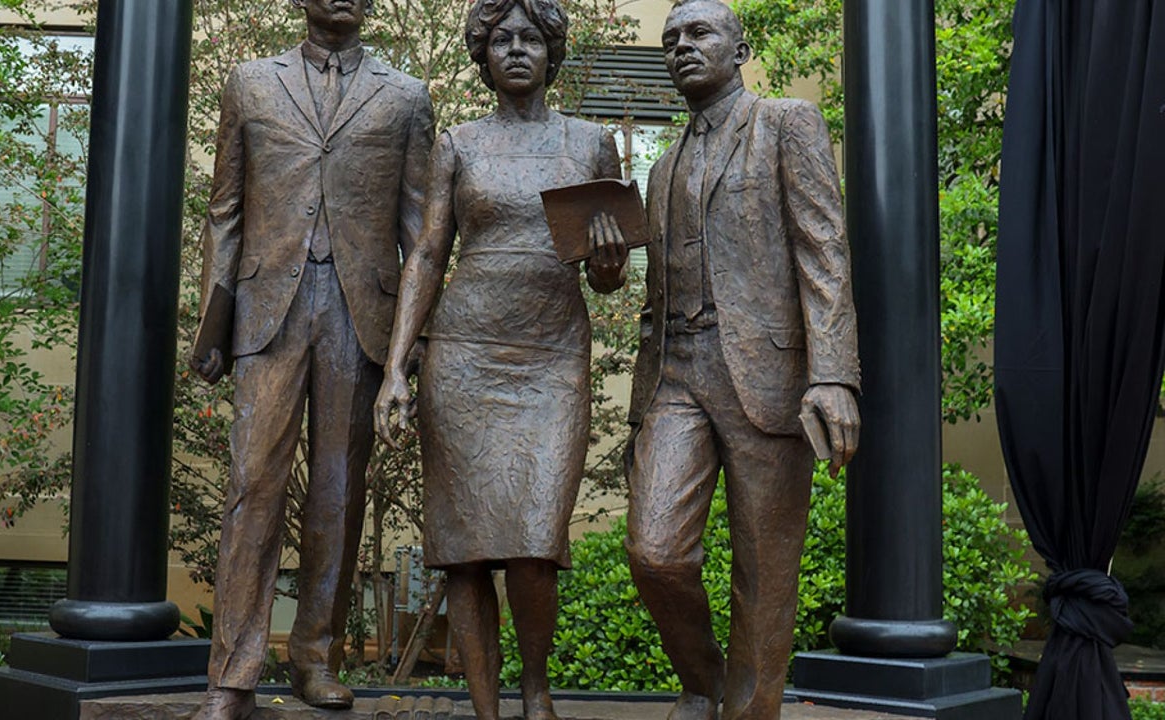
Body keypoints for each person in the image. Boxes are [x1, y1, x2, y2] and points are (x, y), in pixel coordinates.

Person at [373, 0, 627, 717]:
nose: (516, 50)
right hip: (465, 353)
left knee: (536, 539)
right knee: (466, 544)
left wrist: (609, 263)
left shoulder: (590, 142)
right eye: (500, 40)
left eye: (531, 39)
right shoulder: (458, 142)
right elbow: (427, 253)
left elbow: (609, 274)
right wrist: (397, 367)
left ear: (553, 52)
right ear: (482, 56)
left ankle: (535, 687)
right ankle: (487, 706)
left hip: (551, 356)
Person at [189, 0, 433, 717]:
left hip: (361, 314)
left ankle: (314, 658)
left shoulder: (407, 95)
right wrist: (213, 319)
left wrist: (411, 342)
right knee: (251, 485)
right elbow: (224, 208)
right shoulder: (249, 82)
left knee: (337, 490)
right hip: (269, 310)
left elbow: (421, 229)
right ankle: (231, 677)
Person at [624, 1, 861, 719]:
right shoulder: (661, 168)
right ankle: (704, 684)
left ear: (740, 47)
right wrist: (640, 406)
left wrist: (834, 375)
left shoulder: (786, 123)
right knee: (654, 550)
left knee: (766, 570)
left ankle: (750, 710)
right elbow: (653, 294)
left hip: (770, 374)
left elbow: (824, 254)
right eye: (670, 41)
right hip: (676, 375)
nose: (681, 49)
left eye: (698, 34)